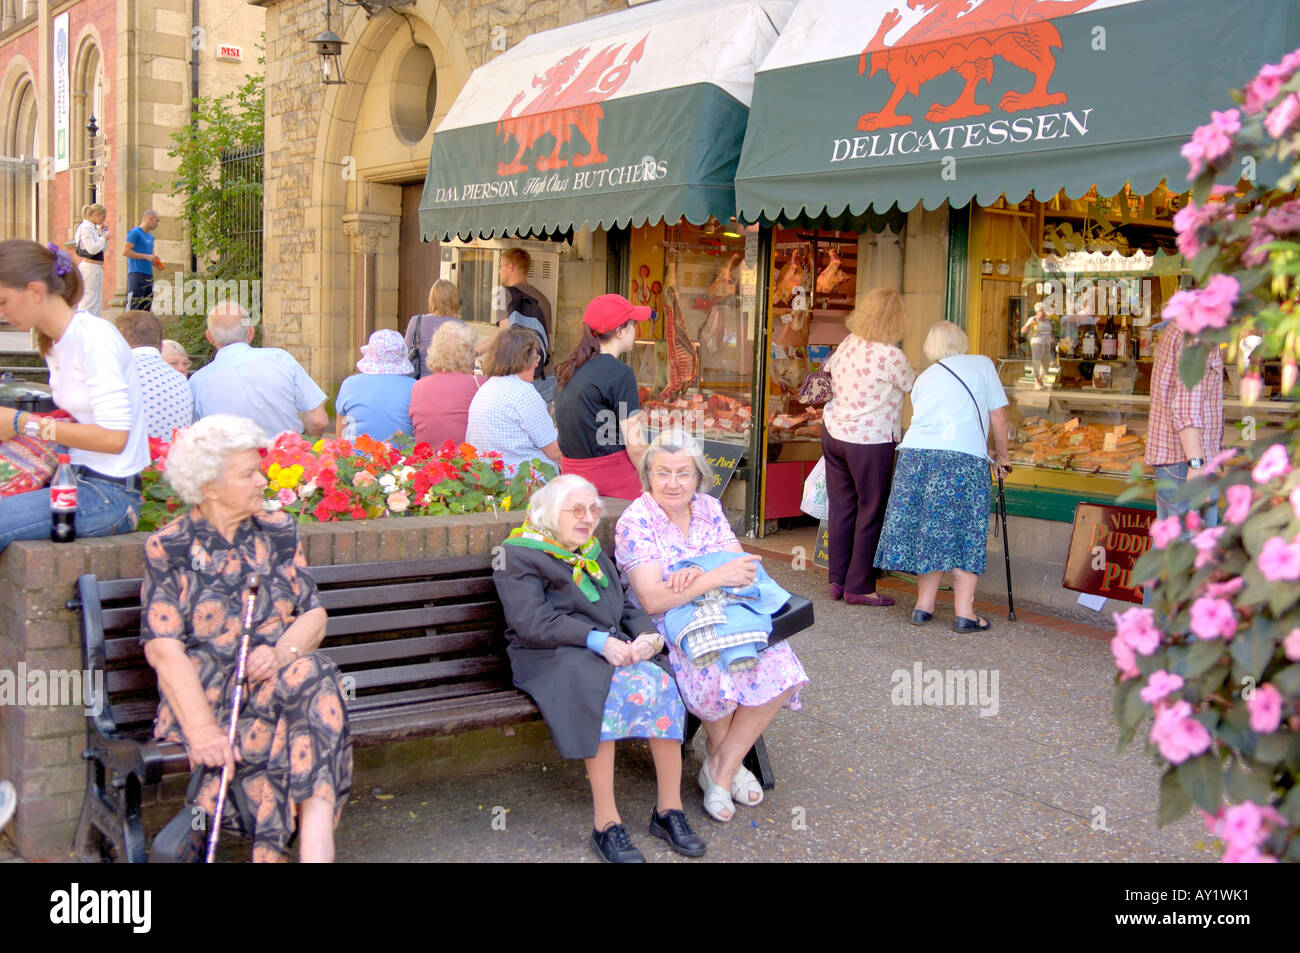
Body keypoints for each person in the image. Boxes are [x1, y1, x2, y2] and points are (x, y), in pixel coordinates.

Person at [140, 414, 352, 862]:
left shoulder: (277, 531)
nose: (263, 479)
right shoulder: (170, 547)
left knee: (311, 673)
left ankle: (314, 835)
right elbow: (163, 647)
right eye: (249, 473)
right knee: (312, 690)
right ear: (210, 488)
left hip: (283, 679)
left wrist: (279, 652)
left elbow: (313, 614)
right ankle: (306, 845)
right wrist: (201, 730)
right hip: (212, 697)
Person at [493, 474, 704, 863]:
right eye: (576, 510)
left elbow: (625, 606)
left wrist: (647, 638)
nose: (587, 518)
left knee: (661, 684)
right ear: (547, 514)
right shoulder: (517, 554)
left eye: (593, 510)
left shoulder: (590, 552)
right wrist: (598, 641)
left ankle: (668, 810)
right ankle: (606, 825)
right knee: (605, 692)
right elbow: (531, 623)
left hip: (604, 651)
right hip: (550, 656)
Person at [616, 431, 808, 823]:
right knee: (708, 665)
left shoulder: (708, 508)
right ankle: (729, 769)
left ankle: (719, 767)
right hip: (669, 624)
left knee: (780, 662)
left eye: (683, 473)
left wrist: (693, 575)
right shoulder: (636, 520)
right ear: (648, 476)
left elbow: (743, 570)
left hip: (729, 611)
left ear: (698, 478)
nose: (673, 483)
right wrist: (709, 576)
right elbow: (653, 599)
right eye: (662, 473)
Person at [0, 240, 147, 552]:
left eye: (3, 300)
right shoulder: (55, 342)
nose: (2, 311)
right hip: (71, 479)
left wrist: (23, 422)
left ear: (35, 291)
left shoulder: (94, 337)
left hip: (108, 494)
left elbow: (114, 438)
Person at [873, 321, 1011, 631]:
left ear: (930, 347)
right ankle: (965, 614)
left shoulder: (924, 377)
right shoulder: (982, 364)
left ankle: (923, 607)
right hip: (961, 459)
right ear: (962, 340)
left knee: (930, 529)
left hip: (916, 457)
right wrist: (1002, 458)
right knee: (966, 530)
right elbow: (999, 418)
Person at [820, 288, 915, 606]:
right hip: (870, 440)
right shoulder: (891, 355)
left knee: (842, 506)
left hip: (834, 433)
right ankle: (859, 586)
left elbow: (827, 373)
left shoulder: (847, 344)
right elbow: (912, 384)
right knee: (871, 509)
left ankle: (837, 578)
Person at [554, 293, 652, 499]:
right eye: (633, 324)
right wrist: (654, 480)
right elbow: (635, 446)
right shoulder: (620, 373)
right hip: (615, 484)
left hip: (572, 482)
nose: (636, 330)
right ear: (620, 331)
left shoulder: (569, 369)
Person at [189, 301, 329, 438]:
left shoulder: (197, 383)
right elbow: (318, 421)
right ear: (251, 332)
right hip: (287, 457)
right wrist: (299, 445)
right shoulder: (281, 359)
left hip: (230, 459)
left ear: (209, 337)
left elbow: (195, 438)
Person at [1144, 322, 1224, 522]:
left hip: (1176, 463)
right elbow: (1186, 406)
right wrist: (1196, 465)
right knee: (1190, 546)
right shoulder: (1197, 333)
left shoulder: (1181, 324)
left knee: (1172, 545)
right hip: (1184, 463)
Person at [465, 326, 561, 474]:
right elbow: (554, 451)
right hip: (528, 485)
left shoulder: (485, 388)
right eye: (535, 358)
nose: (536, 364)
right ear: (523, 359)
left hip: (491, 482)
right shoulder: (524, 393)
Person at [477, 249, 554, 403]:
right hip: (545, 374)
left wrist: (475, 352)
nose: (499, 272)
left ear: (510, 267)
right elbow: (548, 343)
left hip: (517, 376)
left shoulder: (501, 292)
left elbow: (503, 333)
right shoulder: (544, 299)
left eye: (500, 266)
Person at [116, 310, 194, 440]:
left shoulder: (119, 373)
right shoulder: (181, 380)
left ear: (120, 341)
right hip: (172, 456)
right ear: (160, 343)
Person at [409, 320, 484, 447]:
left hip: (426, 462)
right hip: (466, 462)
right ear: (468, 353)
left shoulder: (418, 386)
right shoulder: (479, 383)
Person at [334, 328, 415, 442]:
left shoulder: (349, 384)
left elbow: (341, 430)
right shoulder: (414, 387)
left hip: (356, 457)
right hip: (400, 456)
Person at [403, 279, 461, 381]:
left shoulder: (417, 321)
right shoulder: (461, 326)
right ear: (455, 300)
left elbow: (404, 354)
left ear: (432, 299)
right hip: (451, 386)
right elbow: (469, 364)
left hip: (420, 384)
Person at [123, 209, 163, 312]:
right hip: (136, 274)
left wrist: (155, 261)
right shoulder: (134, 233)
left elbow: (150, 255)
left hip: (148, 275)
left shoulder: (151, 237)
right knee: (133, 305)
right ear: (149, 219)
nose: (158, 224)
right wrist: (146, 256)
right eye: (157, 221)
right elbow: (126, 251)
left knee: (145, 307)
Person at [72, 204, 108, 316]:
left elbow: (102, 248)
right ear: (96, 215)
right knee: (89, 299)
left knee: (96, 299)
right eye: (103, 217)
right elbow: (92, 249)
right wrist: (103, 238)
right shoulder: (86, 228)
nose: (103, 220)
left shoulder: (93, 228)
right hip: (90, 267)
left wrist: (103, 235)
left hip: (96, 267)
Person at [1020, 302, 1055, 388]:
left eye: (1044, 311)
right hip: (1037, 343)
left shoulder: (1048, 320)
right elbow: (1023, 331)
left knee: (1046, 362)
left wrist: (1053, 339)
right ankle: (1037, 382)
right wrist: (1029, 325)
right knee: (1037, 361)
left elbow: (1051, 332)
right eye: (1041, 311)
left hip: (1047, 343)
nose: (1043, 313)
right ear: (1037, 311)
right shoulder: (1033, 319)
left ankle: (1040, 379)